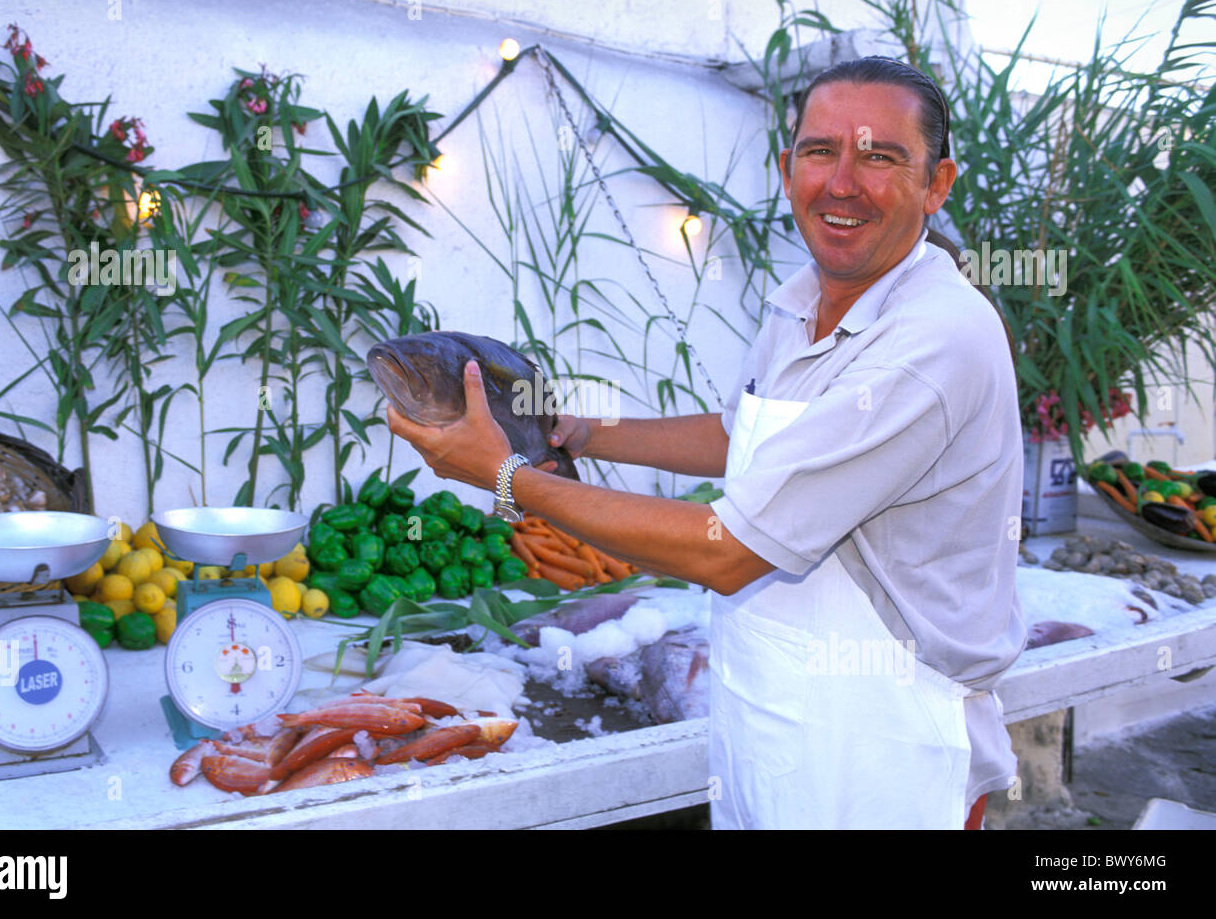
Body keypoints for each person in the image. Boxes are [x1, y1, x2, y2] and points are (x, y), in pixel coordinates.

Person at [386, 56, 1025, 830]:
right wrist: (591, 433)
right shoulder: (802, 300)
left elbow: (729, 551)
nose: (843, 181)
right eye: (820, 151)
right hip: (772, 724)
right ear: (787, 168)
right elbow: (740, 434)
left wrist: (509, 476)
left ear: (938, 183)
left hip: (883, 748)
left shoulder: (935, 338)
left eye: (881, 156)